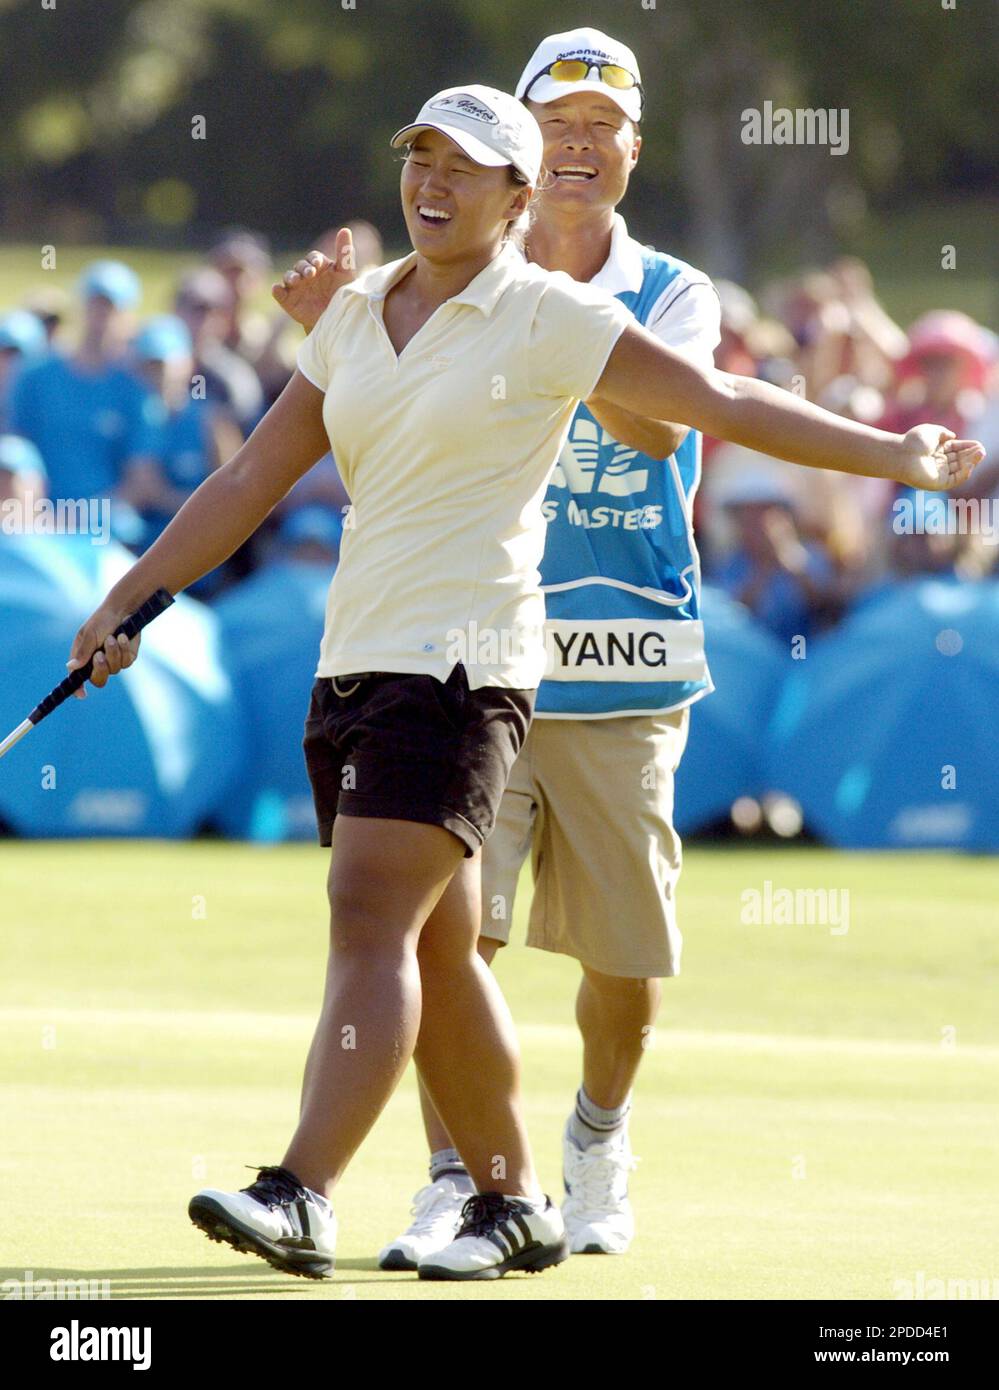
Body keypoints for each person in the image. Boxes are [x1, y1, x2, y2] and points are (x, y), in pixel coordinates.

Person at [67, 84, 982, 1284]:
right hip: (355, 662)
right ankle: (513, 1199)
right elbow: (247, 483)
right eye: (420, 160)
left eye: (466, 168)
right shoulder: (353, 314)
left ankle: (303, 1191)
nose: (434, 184)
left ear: (515, 194)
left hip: (463, 668)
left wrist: (891, 452)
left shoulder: (550, 314)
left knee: (366, 915)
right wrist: (130, 595)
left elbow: (722, 402)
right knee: (441, 954)